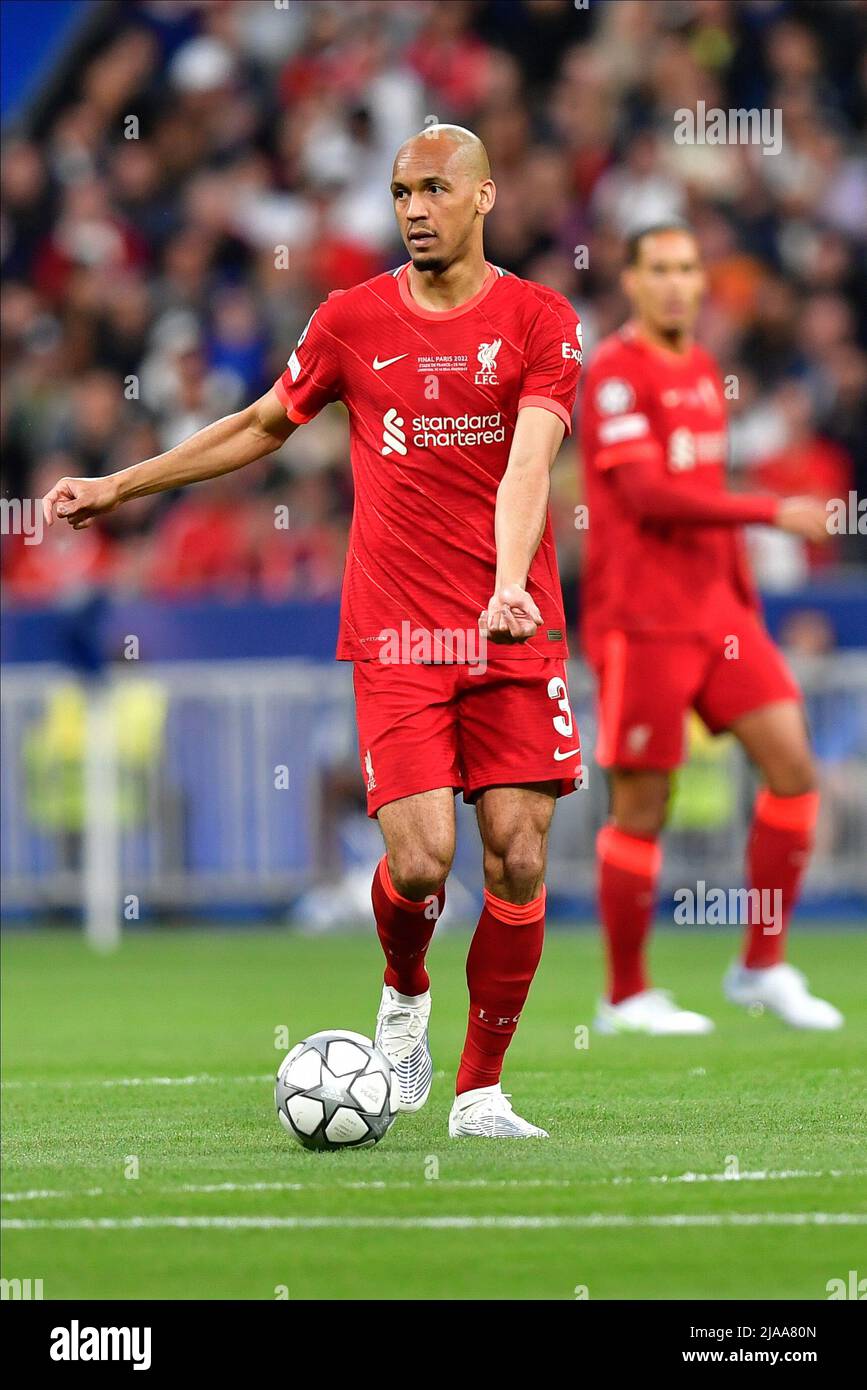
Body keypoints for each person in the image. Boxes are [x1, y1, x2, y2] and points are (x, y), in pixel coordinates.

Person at [43, 125, 584, 1136]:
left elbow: (528, 465)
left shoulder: (542, 320)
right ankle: (404, 985)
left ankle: (480, 1092)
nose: (414, 209)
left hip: (513, 630)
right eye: (398, 193)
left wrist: (511, 584)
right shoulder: (350, 319)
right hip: (397, 631)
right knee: (421, 863)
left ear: (485, 198)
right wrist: (123, 483)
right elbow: (259, 424)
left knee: (515, 853)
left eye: (434, 189)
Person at [579, 222, 843, 1035]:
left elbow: (700, 501)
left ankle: (760, 966)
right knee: (642, 808)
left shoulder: (698, 368)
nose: (672, 283)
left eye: (686, 269)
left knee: (792, 767)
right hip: (641, 620)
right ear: (629, 281)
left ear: (702, 284)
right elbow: (652, 497)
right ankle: (624, 996)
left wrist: (742, 604)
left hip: (717, 615)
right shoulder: (615, 374)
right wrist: (769, 509)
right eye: (656, 268)